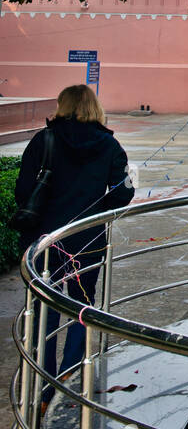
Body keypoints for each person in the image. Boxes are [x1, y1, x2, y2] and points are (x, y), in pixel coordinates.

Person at [14, 85, 134, 405]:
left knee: (45, 307)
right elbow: (123, 193)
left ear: (62, 105)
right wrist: (95, 212)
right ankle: (69, 376)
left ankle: (45, 385)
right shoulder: (109, 145)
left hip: (44, 239)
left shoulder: (45, 140)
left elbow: (23, 189)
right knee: (82, 304)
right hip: (86, 238)